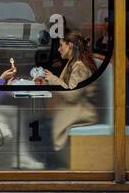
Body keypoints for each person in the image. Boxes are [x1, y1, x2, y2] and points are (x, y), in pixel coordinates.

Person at [35, 31, 99, 162]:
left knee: (42, 125)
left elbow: (73, 95)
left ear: (70, 45)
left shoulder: (80, 66)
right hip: (72, 108)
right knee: (39, 122)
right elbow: (65, 86)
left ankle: (51, 164)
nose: (58, 49)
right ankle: (48, 162)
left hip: (80, 110)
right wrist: (48, 81)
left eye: (61, 45)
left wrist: (52, 79)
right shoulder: (72, 63)